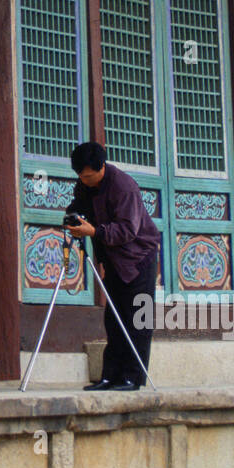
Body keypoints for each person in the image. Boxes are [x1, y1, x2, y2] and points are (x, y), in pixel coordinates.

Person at [64, 141, 161, 391]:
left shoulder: (124, 186)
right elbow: (80, 207)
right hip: (113, 260)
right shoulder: (85, 185)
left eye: (88, 175)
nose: (84, 180)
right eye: (80, 176)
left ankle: (132, 377)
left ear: (101, 167)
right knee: (114, 319)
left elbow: (129, 230)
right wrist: (74, 218)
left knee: (137, 320)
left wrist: (93, 230)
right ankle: (110, 376)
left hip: (139, 259)